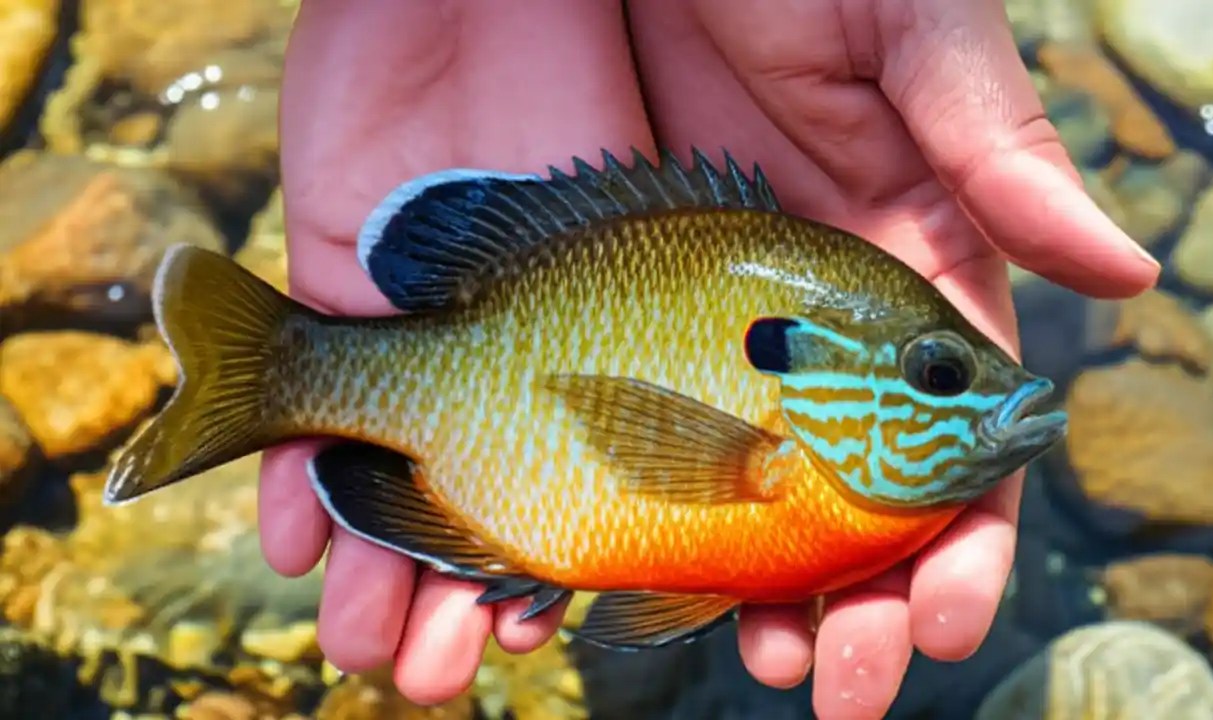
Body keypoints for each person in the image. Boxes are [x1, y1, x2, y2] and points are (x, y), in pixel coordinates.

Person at [259, 2, 1159, 718]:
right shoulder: (783, 468)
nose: (988, 395)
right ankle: (281, 370)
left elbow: (660, 589)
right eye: (939, 375)